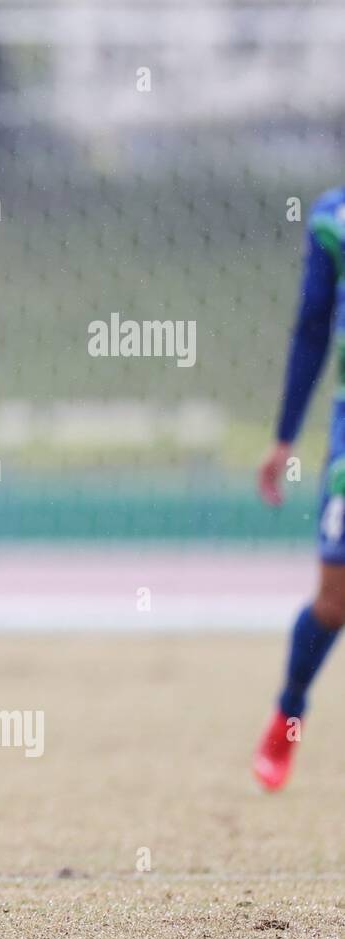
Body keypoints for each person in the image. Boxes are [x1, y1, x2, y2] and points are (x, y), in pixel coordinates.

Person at [254, 187, 345, 791]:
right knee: (335, 600)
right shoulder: (333, 220)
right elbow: (312, 328)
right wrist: (285, 436)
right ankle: (288, 712)